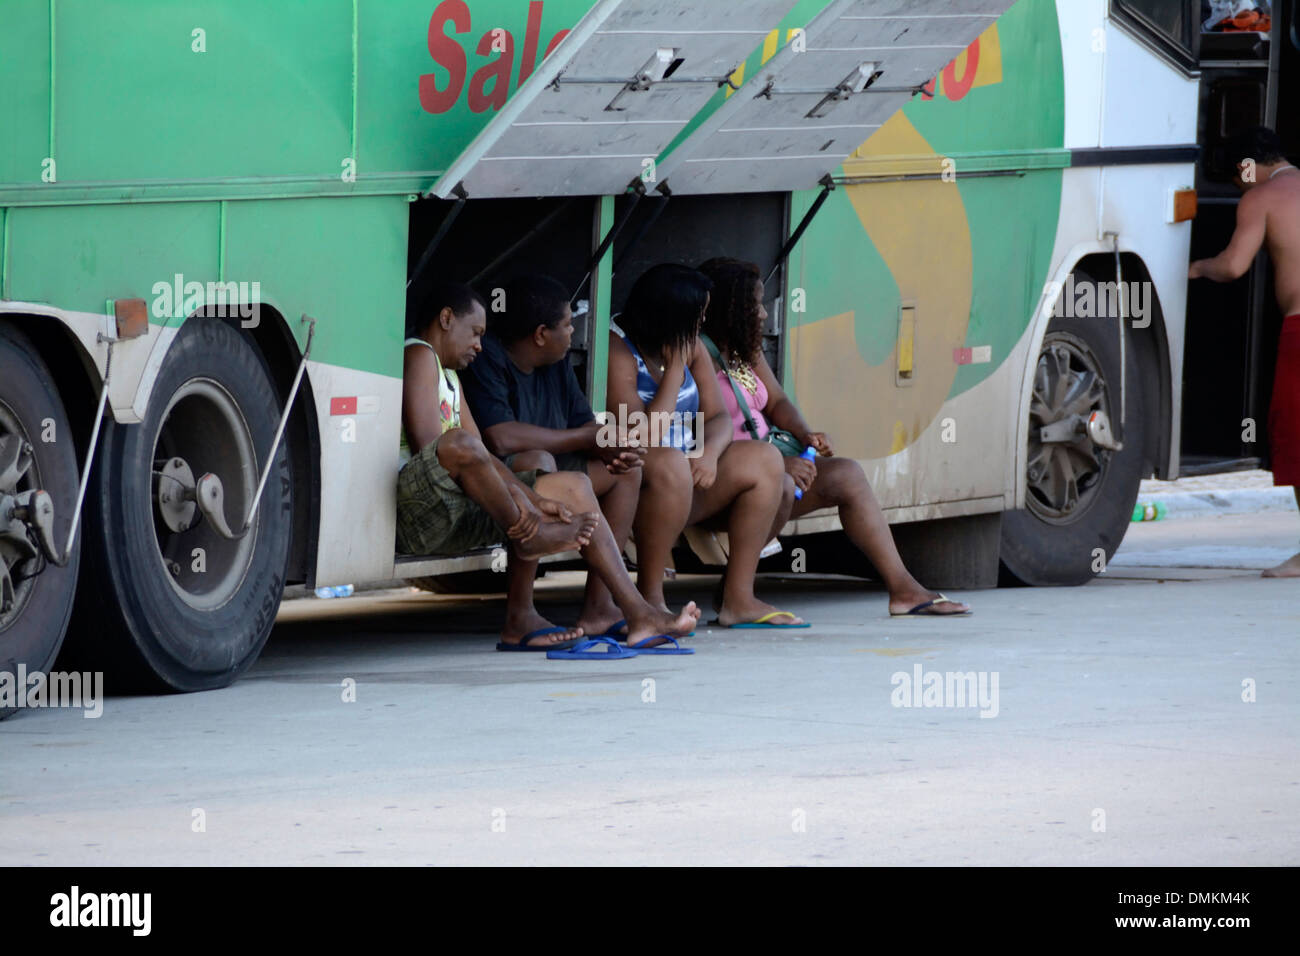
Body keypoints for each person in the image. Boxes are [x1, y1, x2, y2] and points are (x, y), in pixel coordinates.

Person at [396, 280, 700, 649]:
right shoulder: (420, 354)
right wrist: (523, 495)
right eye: (474, 332)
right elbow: (438, 450)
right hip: (425, 505)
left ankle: (636, 611)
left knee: (558, 476)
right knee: (470, 444)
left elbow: (484, 457)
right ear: (445, 319)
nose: (479, 344)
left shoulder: (451, 375)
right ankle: (533, 535)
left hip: (463, 501)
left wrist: (532, 499)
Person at [697, 257, 971, 616]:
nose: (764, 314)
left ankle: (905, 590)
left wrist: (805, 435)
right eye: (755, 305)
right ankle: (737, 596)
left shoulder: (743, 348)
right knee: (777, 480)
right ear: (729, 309)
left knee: (847, 475)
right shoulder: (700, 353)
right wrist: (780, 464)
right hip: (726, 479)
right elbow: (702, 432)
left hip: (770, 463)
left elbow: (777, 400)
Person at [607, 263, 807, 628]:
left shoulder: (692, 344)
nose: (702, 323)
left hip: (689, 477)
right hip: (641, 483)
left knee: (766, 460)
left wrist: (710, 454)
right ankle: (651, 598)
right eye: (697, 315)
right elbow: (642, 435)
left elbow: (716, 417)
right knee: (668, 463)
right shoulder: (618, 348)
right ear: (671, 317)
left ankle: (738, 598)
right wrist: (674, 371)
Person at [461, 274, 646, 639]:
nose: (574, 334)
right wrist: (585, 436)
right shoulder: (490, 360)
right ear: (541, 334)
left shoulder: (556, 362)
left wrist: (612, 446)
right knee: (538, 461)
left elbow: (582, 425)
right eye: (567, 325)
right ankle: (520, 612)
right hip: (503, 484)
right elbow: (500, 438)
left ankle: (600, 607)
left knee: (627, 472)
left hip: (557, 473)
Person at [1189, 126, 1300, 578]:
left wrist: (1196, 267)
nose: (1240, 189)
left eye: (1238, 181)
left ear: (1248, 167)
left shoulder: (1264, 197)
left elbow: (1234, 266)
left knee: (1296, 440)